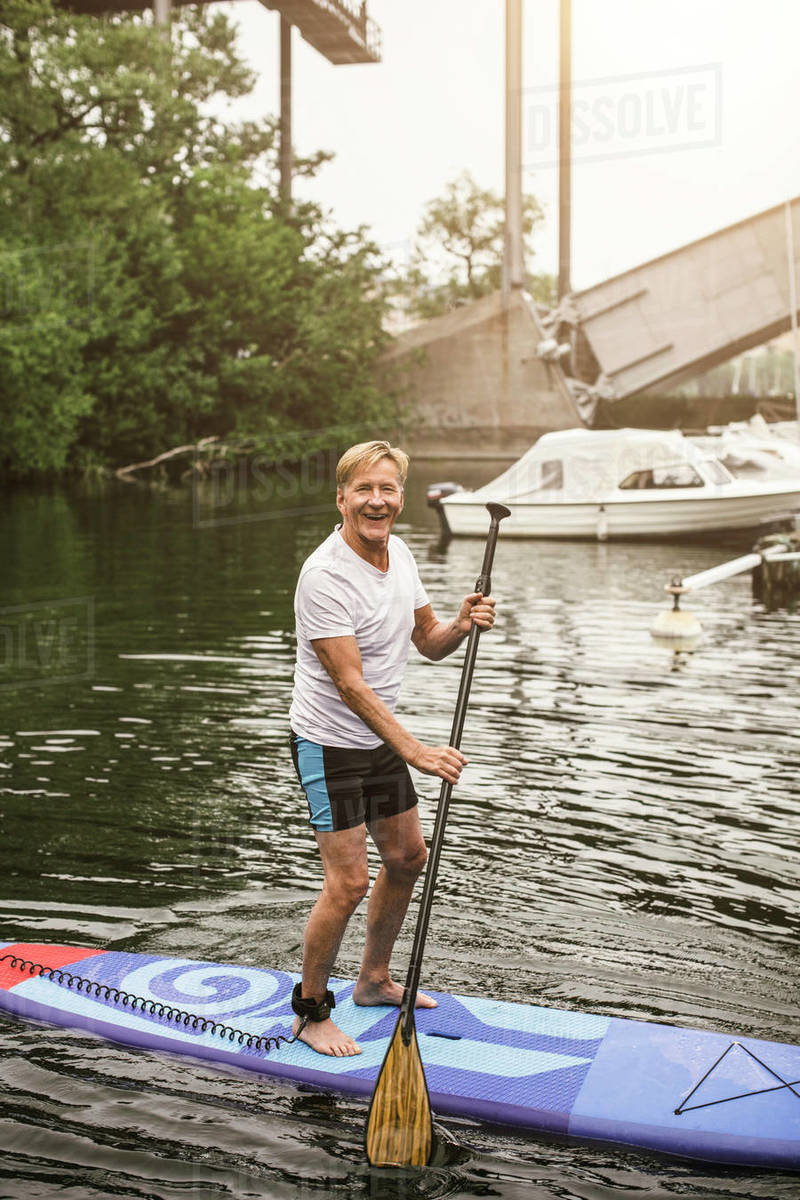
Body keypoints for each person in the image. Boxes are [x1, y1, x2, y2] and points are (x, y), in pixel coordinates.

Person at [288, 439, 496, 1057]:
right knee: (348, 883)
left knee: (407, 859)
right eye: (364, 490)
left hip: (379, 738)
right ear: (342, 498)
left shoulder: (400, 554)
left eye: (388, 489)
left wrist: (461, 622)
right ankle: (309, 1011)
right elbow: (349, 683)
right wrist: (414, 749)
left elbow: (428, 640)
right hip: (330, 743)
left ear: (401, 498)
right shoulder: (323, 575)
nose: (376, 501)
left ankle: (373, 981)